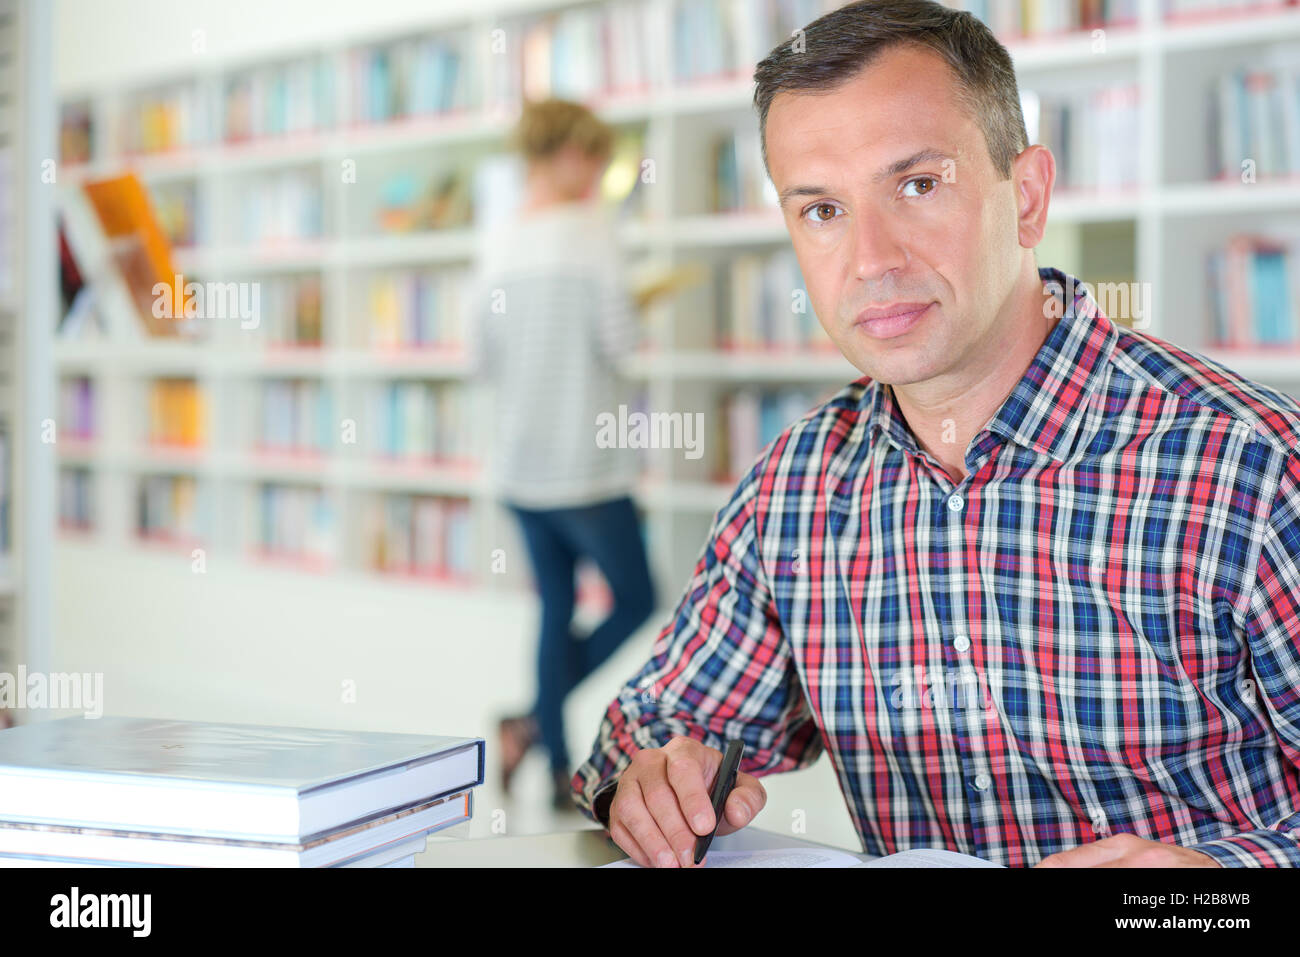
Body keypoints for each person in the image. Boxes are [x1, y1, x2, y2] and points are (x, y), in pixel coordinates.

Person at [570, 0, 1300, 867]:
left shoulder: (1252, 471)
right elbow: (648, 731)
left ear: (1026, 198)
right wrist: (654, 777)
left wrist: (1212, 884)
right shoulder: (798, 487)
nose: (871, 258)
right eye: (822, 210)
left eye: (918, 184)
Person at [467, 98, 656, 812]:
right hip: (586, 464)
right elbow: (622, 343)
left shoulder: (499, 239)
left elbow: (476, 359)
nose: (601, 172)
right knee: (635, 596)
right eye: (597, 157)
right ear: (570, 154)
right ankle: (534, 725)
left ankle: (546, 748)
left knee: (554, 606)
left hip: (520, 465)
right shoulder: (594, 232)